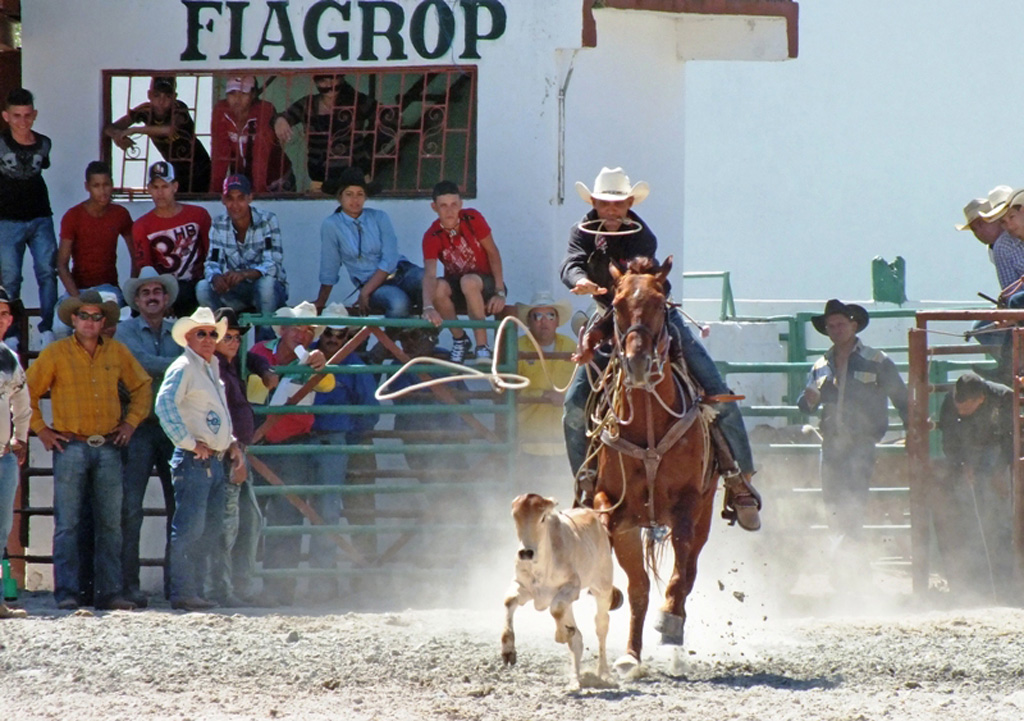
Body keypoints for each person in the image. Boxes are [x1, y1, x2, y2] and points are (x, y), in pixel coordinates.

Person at [561, 167, 761, 531]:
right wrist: (582, 281)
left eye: (618, 203)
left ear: (628, 204)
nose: (611, 210)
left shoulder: (643, 237)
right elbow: (571, 263)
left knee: (717, 394)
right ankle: (586, 487)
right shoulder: (581, 232)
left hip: (650, 319)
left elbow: (644, 283)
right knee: (573, 406)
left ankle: (739, 481)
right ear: (594, 203)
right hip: (610, 318)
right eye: (605, 203)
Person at [27, 291, 152, 611]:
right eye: (84, 315)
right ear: (73, 319)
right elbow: (26, 390)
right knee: (68, 522)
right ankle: (67, 591)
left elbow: (142, 386)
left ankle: (109, 592)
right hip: (70, 445)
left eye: (97, 317)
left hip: (108, 444)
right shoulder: (55, 354)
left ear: (104, 322)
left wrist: (130, 424)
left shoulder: (118, 353)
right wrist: (42, 430)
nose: (90, 322)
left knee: (111, 522)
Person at [797, 299, 908, 550]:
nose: (836, 330)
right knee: (833, 503)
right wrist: (809, 401)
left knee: (854, 501)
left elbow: (901, 397)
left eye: (840, 324)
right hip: (832, 443)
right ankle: (847, 562)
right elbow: (804, 404)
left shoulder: (877, 361)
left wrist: (913, 429)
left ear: (854, 326)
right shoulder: (820, 365)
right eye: (831, 326)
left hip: (862, 442)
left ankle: (851, 559)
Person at [155, 307, 245, 612]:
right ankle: (184, 590)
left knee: (205, 529)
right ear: (189, 338)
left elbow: (210, 413)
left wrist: (228, 442)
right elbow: (164, 404)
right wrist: (190, 443)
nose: (208, 338)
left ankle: (194, 590)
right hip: (196, 460)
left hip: (212, 459)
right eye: (201, 333)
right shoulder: (184, 367)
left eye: (211, 333)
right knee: (191, 528)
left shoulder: (208, 367)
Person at [249, 301, 334, 606]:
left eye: (309, 329)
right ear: (283, 329)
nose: (302, 334)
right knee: (247, 516)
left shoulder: (311, 359)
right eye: (297, 328)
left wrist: (319, 364)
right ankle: (242, 584)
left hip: (291, 444)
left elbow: (327, 382)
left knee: (286, 519)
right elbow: (252, 398)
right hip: (256, 443)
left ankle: (279, 589)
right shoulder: (259, 353)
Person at [114, 267, 182, 606]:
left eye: (157, 291)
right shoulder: (125, 332)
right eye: (146, 292)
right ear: (137, 301)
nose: (153, 296)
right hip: (137, 426)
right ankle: (129, 587)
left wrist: (181, 362)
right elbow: (139, 366)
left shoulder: (176, 332)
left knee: (178, 508)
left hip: (173, 428)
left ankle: (177, 586)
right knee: (130, 508)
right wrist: (180, 362)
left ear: (166, 298)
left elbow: (148, 365)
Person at [307, 302, 380, 600]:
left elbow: (369, 413)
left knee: (352, 513)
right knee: (323, 510)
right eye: (330, 334)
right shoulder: (315, 359)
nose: (335, 339)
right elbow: (369, 412)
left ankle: (354, 581)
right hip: (323, 440)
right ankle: (321, 582)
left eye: (340, 335)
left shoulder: (355, 366)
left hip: (344, 441)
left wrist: (350, 433)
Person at [209, 307, 276, 606]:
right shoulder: (213, 368)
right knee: (228, 524)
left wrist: (263, 368)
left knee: (247, 520)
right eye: (228, 337)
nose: (234, 342)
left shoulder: (230, 365)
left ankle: (238, 586)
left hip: (235, 450)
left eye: (237, 337)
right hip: (226, 451)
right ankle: (224, 589)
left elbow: (254, 358)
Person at [934, 372, 1015, 602]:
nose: (961, 411)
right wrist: (962, 464)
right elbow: (949, 439)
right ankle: (978, 578)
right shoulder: (951, 402)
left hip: (996, 453)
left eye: (966, 407)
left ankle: (1003, 578)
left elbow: (1012, 438)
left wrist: (1001, 470)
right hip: (968, 454)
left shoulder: (1003, 398)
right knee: (969, 512)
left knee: (998, 515)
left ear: (981, 399)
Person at [315, 166, 424, 318]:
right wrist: (321, 301)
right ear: (340, 197)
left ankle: (424, 334)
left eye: (360, 194)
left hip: (401, 272)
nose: (355, 200)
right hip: (374, 286)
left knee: (426, 280)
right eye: (349, 194)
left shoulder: (379, 217)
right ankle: (386, 341)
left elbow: (390, 258)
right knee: (398, 303)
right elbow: (330, 265)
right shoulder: (332, 225)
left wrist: (364, 293)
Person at [421, 180, 507, 363]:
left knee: (468, 281)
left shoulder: (472, 218)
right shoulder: (432, 235)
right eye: (443, 206)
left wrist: (500, 291)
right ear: (434, 207)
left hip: (486, 284)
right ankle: (460, 339)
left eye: (454, 205)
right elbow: (429, 274)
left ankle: (482, 346)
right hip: (459, 287)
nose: (449, 211)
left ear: (460, 204)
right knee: (438, 287)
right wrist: (427, 306)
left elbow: (493, 253)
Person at [0, 87, 58, 347]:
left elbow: (42, 166)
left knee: (47, 271)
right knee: (10, 277)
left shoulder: (44, 143)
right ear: (6, 116)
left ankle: (48, 326)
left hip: (40, 216)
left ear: (34, 115)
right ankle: (10, 332)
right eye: (16, 116)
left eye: (27, 115)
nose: (22, 121)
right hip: (7, 219)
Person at [195, 174, 288, 336]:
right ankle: (227, 339)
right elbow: (212, 262)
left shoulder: (268, 220)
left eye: (240, 198)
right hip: (236, 292)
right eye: (230, 198)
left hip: (269, 291)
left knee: (266, 285)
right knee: (203, 288)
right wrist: (216, 277)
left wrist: (244, 274)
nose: (235, 205)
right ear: (223, 200)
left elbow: (273, 263)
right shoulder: (218, 224)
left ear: (250, 198)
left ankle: (264, 347)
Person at [105, 76, 212, 193]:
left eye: (168, 97)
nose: (161, 101)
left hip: (200, 167)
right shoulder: (145, 111)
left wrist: (133, 130)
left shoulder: (179, 108)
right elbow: (109, 128)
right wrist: (117, 137)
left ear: (174, 97)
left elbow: (169, 129)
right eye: (157, 95)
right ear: (149, 95)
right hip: (176, 171)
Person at [132, 161, 211, 317]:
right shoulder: (141, 225)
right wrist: (161, 297)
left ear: (175, 187)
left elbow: (210, 252)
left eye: (165, 186)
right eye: (155, 187)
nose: (160, 193)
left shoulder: (198, 215)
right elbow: (145, 266)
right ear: (149, 189)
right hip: (161, 288)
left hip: (193, 285)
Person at [273, 73, 378, 190]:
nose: (329, 84)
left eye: (333, 79)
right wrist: (280, 120)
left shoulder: (358, 101)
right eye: (323, 80)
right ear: (316, 82)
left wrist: (368, 147)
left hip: (357, 174)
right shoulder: (309, 104)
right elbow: (283, 116)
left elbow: (389, 118)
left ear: (341, 78)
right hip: (321, 176)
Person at [0, 288, 31, 618]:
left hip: (2, 454)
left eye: (6, 314)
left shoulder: (8, 357)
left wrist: (20, 438)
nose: (3, 319)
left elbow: (22, 402)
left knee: (0, 527)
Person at [515, 291, 575, 457]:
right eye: (537, 316)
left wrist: (564, 397)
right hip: (529, 440)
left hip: (564, 442)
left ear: (557, 321)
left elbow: (582, 386)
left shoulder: (571, 347)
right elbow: (508, 390)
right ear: (529, 322)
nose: (544, 322)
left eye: (549, 315)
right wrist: (543, 395)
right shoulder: (516, 348)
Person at [209, 75, 292, 194]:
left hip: (276, 178)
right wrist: (215, 191)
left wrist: (259, 191)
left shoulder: (264, 110)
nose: (237, 99)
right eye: (232, 93)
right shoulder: (221, 110)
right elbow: (220, 154)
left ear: (253, 95)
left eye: (243, 93)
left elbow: (261, 154)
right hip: (243, 179)